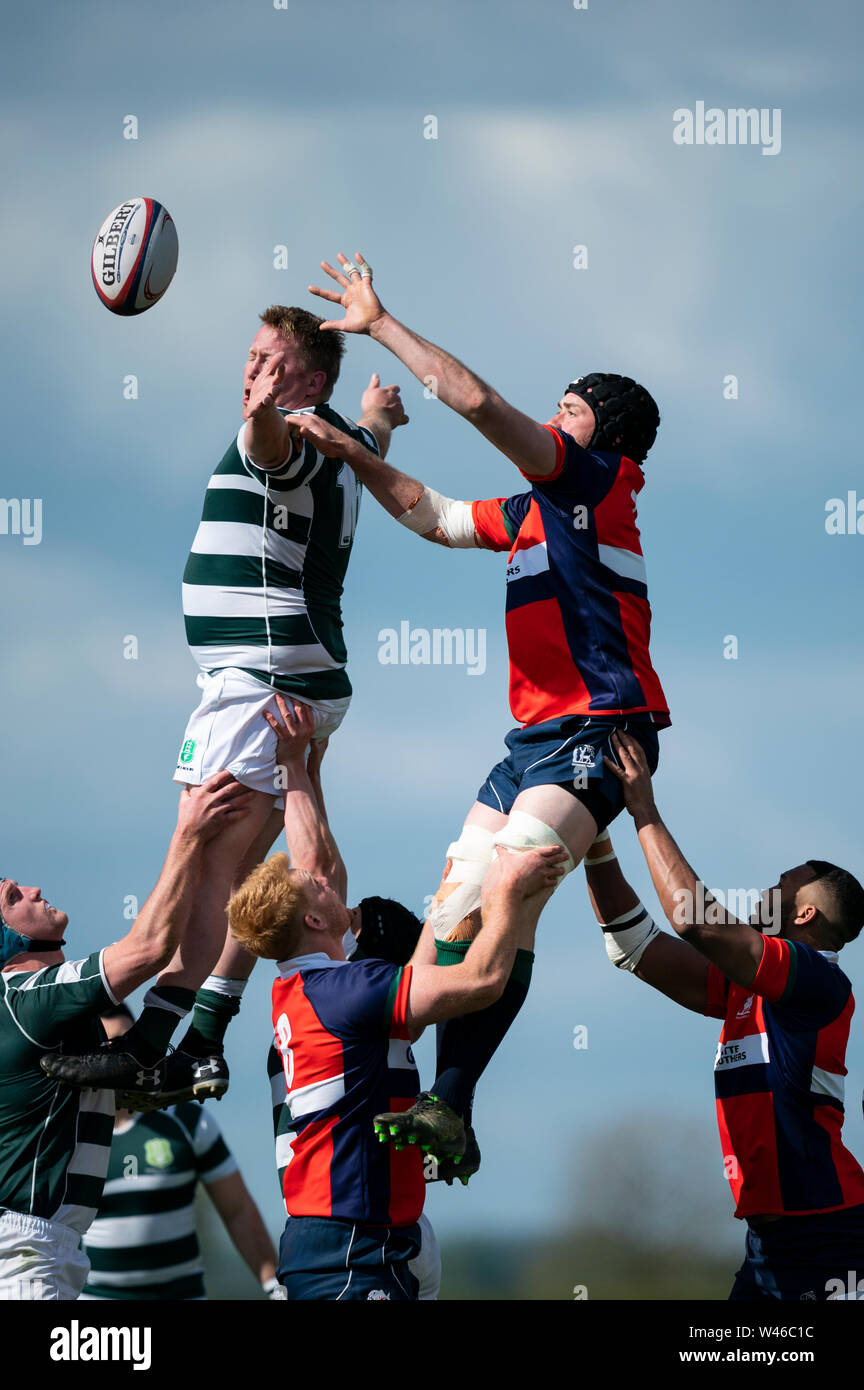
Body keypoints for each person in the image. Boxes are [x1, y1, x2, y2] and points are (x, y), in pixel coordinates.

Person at [281, 250, 669, 1167]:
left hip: (600, 732)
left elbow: (477, 404)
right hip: (529, 742)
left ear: (600, 435)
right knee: (451, 916)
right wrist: (355, 454)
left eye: (568, 407)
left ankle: (451, 1098)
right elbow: (434, 515)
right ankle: (442, 1103)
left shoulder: (593, 481)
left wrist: (381, 323)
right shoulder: (538, 508)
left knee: (512, 887)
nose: (551, 415)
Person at [42, 306, 408, 1107]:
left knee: (207, 870)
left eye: (271, 363)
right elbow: (368, 439)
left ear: (306, 382)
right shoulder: (345, 438)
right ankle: (198, 1040)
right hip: (290, 680)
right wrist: (378, 415)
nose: (254, 373)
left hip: (259, 684)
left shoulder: (277, 433)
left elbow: (272, 451)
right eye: (250, 359)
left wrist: (264, 414)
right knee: (242, 879)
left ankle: (149, 1044)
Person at [230, 789, 565, 1299]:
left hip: (355, 1241)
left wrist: (453, 889)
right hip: (349, 1251)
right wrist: (502, 891)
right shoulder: (345, 991)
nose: (326, 882)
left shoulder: (303, 992)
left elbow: (415, 980)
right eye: (314, 887)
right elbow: (482, 981)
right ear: (315, 923)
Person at [585, 729, 864, 1301]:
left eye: (782, 884)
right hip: (769, 1248)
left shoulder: (816, 979)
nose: (767, 887)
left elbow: (695, 923)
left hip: (831, 1237)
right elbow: (635, 946)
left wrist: (644, 808)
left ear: (806, 912)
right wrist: (593, 836)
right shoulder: (751, 985)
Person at [0, 772, 252, 1300]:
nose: (35, 888)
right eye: (13, 895)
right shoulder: (28, 1000)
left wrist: (229, 859)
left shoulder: (37, 1003)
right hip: (23, 1256)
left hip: (45, 1250)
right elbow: (152, 946)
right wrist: (187, 832)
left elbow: (182, 961)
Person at [79, 1003, 279, 1301]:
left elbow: (238, 1211)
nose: (117, 1064)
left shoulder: (186, 1121)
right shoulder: (72, 1133)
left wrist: (274, 1287)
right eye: (105, 1051)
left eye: (124, 1049)